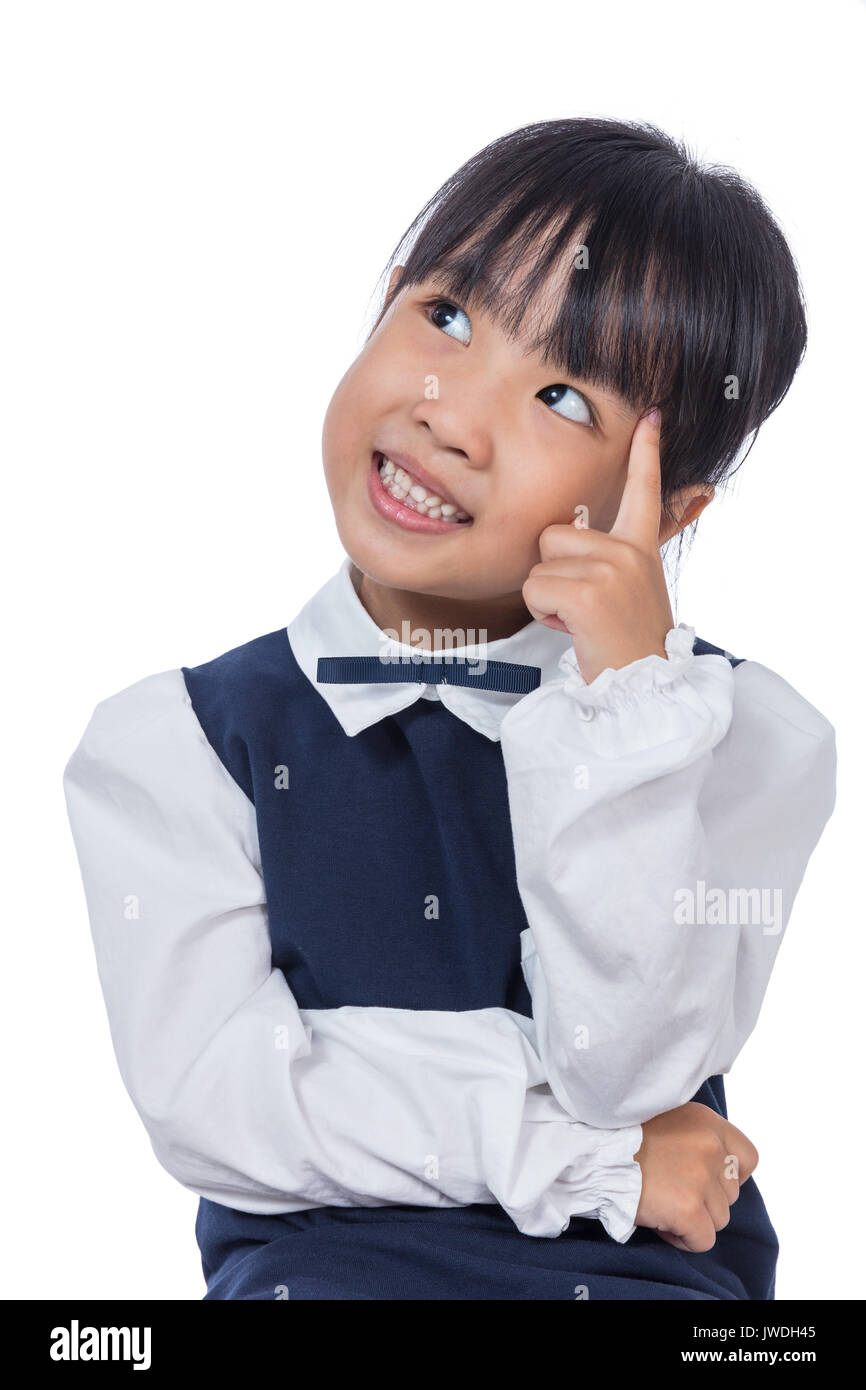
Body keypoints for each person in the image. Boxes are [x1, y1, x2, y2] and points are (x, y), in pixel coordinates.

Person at [63, 117, 836, 1300]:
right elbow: (216, 1104)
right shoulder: (179, 744)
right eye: (448, 319)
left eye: (564, 398)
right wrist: (598, 1158)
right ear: (383, 302)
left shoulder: (736, 735)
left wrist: (625, 702)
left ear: (666, 511)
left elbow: (626, 1064)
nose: (451, 416)